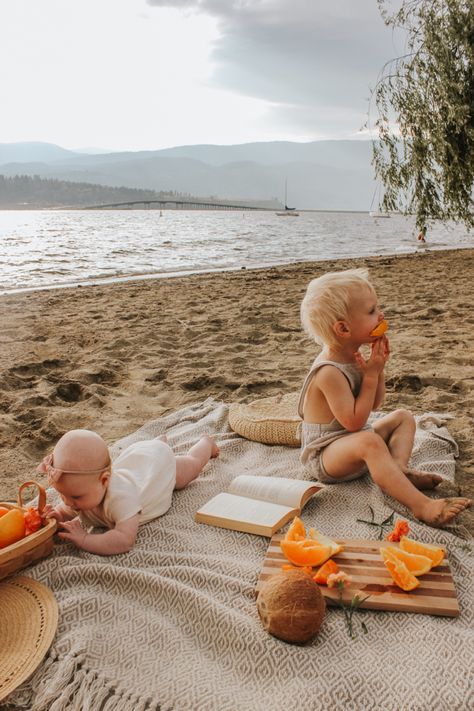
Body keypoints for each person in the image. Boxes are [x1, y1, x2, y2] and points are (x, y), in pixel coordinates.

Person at [298, 268, 470, 528]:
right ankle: (421, 506)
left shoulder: (353, 352)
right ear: (343, 328)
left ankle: (398, 470)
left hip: (353, 440)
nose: (381, 314)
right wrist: (371, 375)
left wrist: (377, 371)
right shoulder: (329, 371)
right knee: (369, 440)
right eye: (371, 311)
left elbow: (375, 403)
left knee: (403, 417)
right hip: (326, 456)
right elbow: (355, 422)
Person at [39, 429, 219, 555]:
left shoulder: (122, 499)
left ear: (104, 481)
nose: (68, 502)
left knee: (190, 469)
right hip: (136, 462)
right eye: (62, 494)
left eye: (75, 497)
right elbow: (66, 512)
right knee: (147, 453)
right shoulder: (80, 490)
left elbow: (124, 540)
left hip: (156, 470)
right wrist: (56, 517)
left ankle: (206, 443)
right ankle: (155, 444)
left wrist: (85, 539)